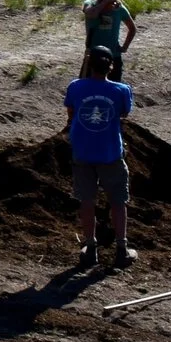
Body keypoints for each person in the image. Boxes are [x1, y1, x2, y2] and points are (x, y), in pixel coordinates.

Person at [65, 46, 137, 268]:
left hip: (83, 151)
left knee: (87, 201)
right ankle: (121, 248)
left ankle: (90, 247)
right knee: (118, 201)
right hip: (110, 153)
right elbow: (124, 113)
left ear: (89, 64)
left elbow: (71, 114)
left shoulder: (75, 87)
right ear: (111, 67)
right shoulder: (121, 90)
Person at [82, 0, 136, 81]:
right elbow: (91, 14)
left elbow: (132, 28)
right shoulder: (90, 4)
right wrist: (104, 4)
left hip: (113, 55)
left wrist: (124, 47)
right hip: (93, 54)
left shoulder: (119, 10)